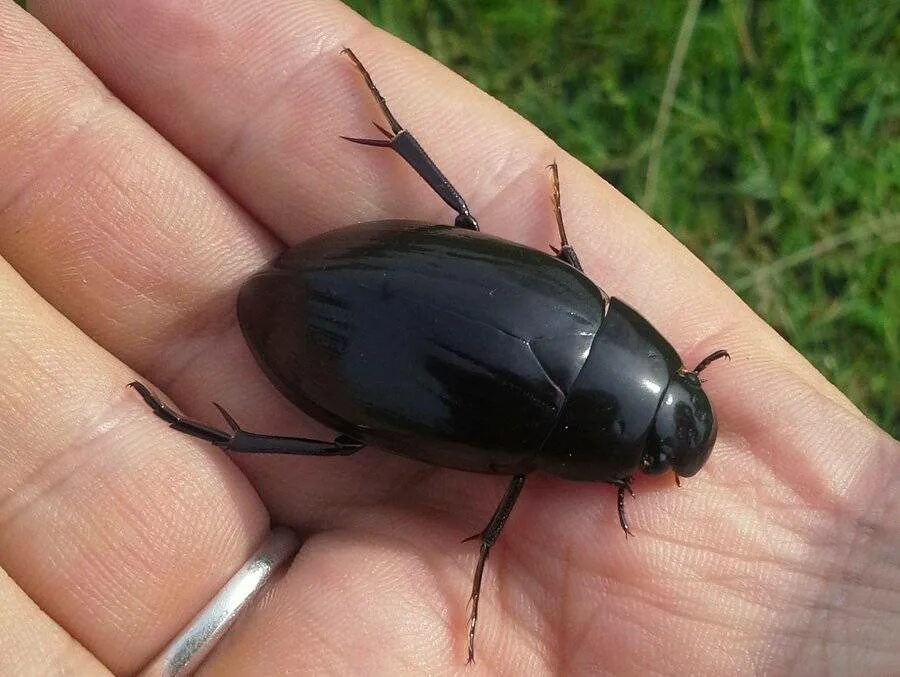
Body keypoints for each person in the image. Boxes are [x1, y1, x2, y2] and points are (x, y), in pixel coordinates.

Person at [0, 1, 896, 674]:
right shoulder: (527, 448)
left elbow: (520, 250)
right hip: (336, 316)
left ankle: (217, 424)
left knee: (457, 229)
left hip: (356, 300)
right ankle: (213, 432)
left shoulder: (575, 294)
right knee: (350, 436)